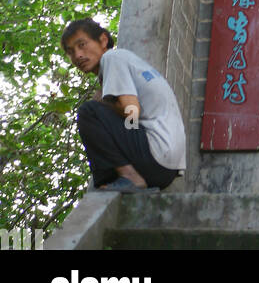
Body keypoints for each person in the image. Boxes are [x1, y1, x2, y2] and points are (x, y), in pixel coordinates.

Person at [61, 17, 185, 192]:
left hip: (156, 156)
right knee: (96, 109)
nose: (77, 55)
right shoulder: (125, 61)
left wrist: (101, 102)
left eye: (82, 45)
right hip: (166, 168)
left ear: (103, 40)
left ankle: (129, 177)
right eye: (71, 51)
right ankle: (123, 176)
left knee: (89, 112)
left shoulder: (113, 58)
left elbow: (131, 112)